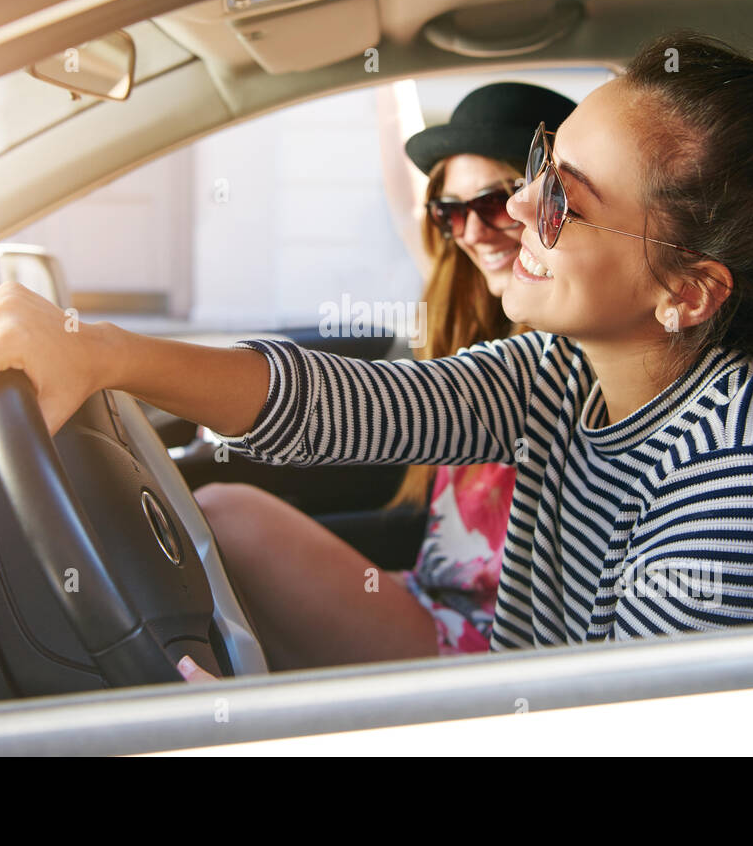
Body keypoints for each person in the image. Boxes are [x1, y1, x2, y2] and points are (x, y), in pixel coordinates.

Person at [0, 30, 753, 679]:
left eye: (563, 199)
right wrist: (106, 350)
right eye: (540, 168)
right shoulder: (561, 377)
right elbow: (355, 406)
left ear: (685, 291)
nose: (517, 209)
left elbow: (627, 742)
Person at [192, 81, 578, 669]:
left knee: (225, 514)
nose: (472, 232)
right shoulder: (469, 309)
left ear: (549, 204)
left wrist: (113, 359)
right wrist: (384, 70)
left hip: (484, 647)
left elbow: (334, 407)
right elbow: (406, 200)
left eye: (496, 202)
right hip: (429, 594)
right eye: (451, 211)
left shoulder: (573, 346)